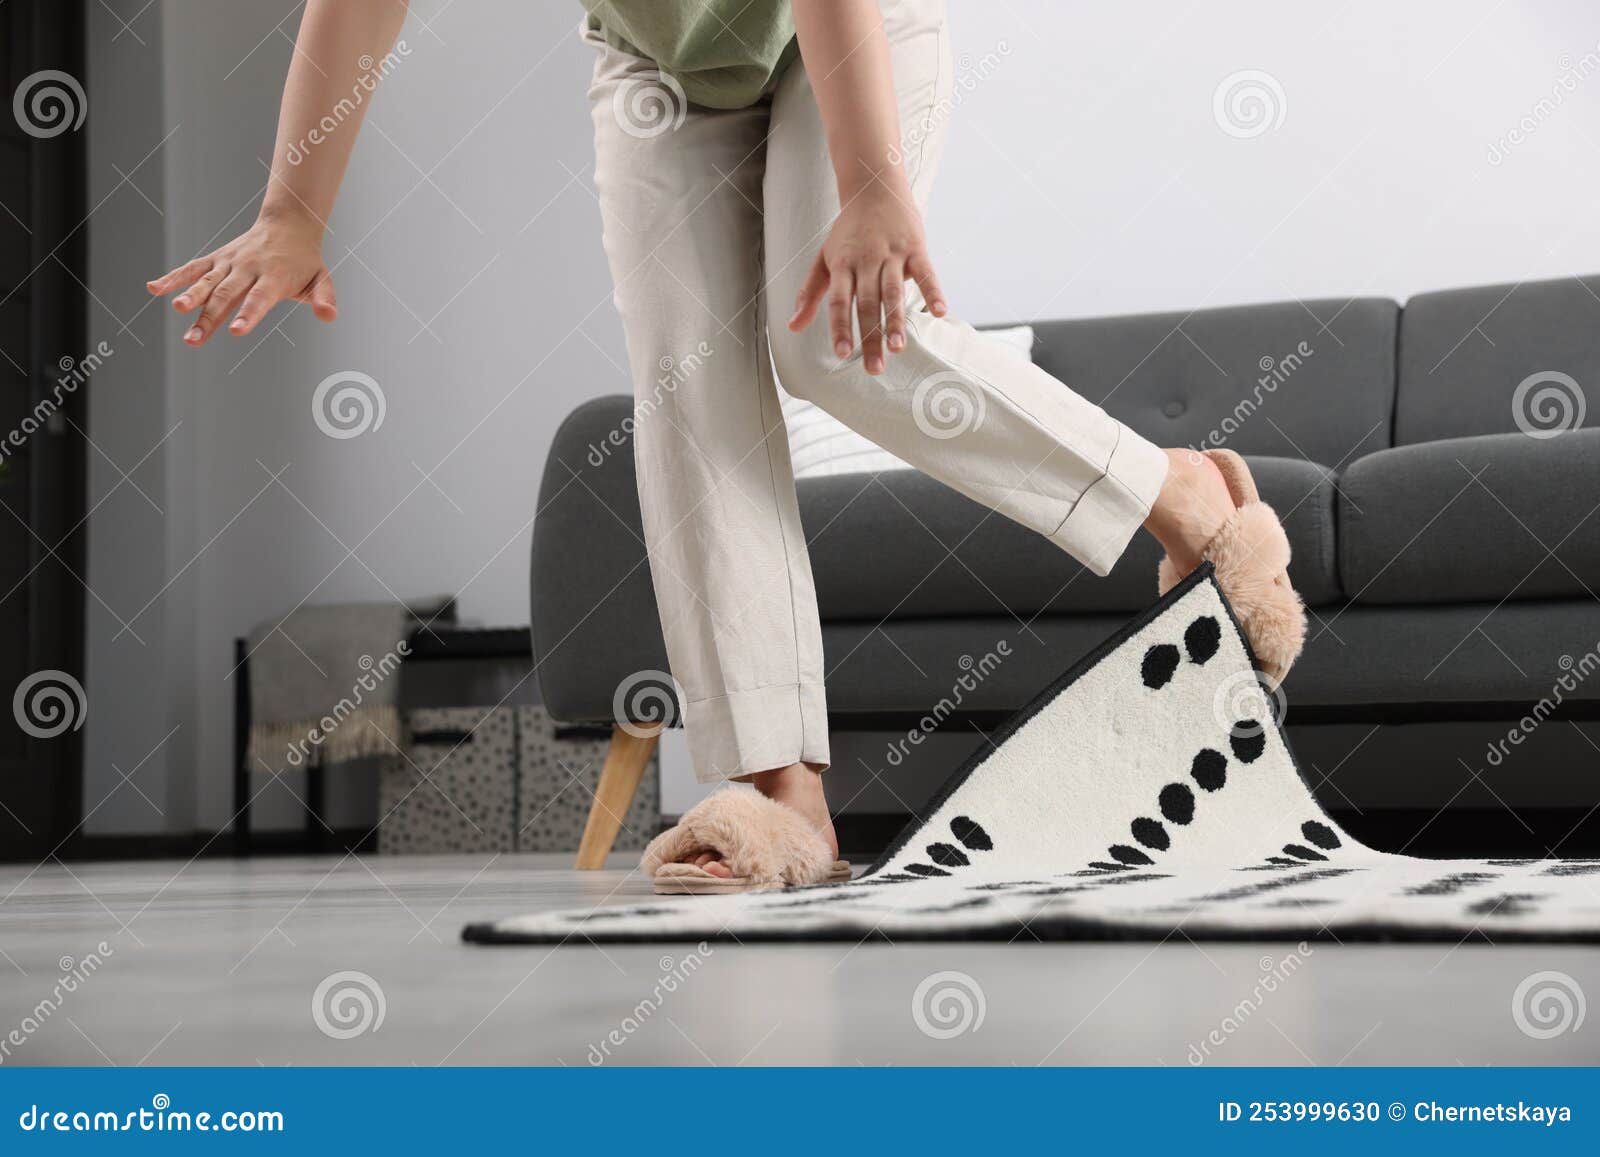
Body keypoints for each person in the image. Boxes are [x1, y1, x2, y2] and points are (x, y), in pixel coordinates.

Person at [148, 0, 1304, 889]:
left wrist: (869, 187)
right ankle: (784, 799)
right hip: (659, 67)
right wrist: (292, 214)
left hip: (841, 32)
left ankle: (1185, 492)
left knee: (845, 347)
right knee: (688, 393)